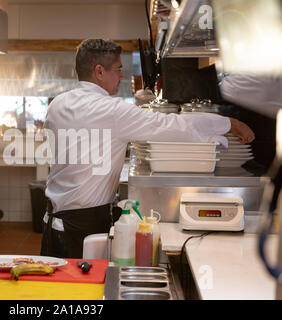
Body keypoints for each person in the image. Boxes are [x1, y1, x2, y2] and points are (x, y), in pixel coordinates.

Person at [41, 39, 255, 259]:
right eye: (118, 69)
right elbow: (171, 124)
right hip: (83, 226)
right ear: (99, 71)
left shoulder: (57, 104)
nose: (122, 76)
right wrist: (228, 123)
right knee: (84, 291)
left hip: (52, 221)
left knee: (55, 288)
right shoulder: (111, 110)